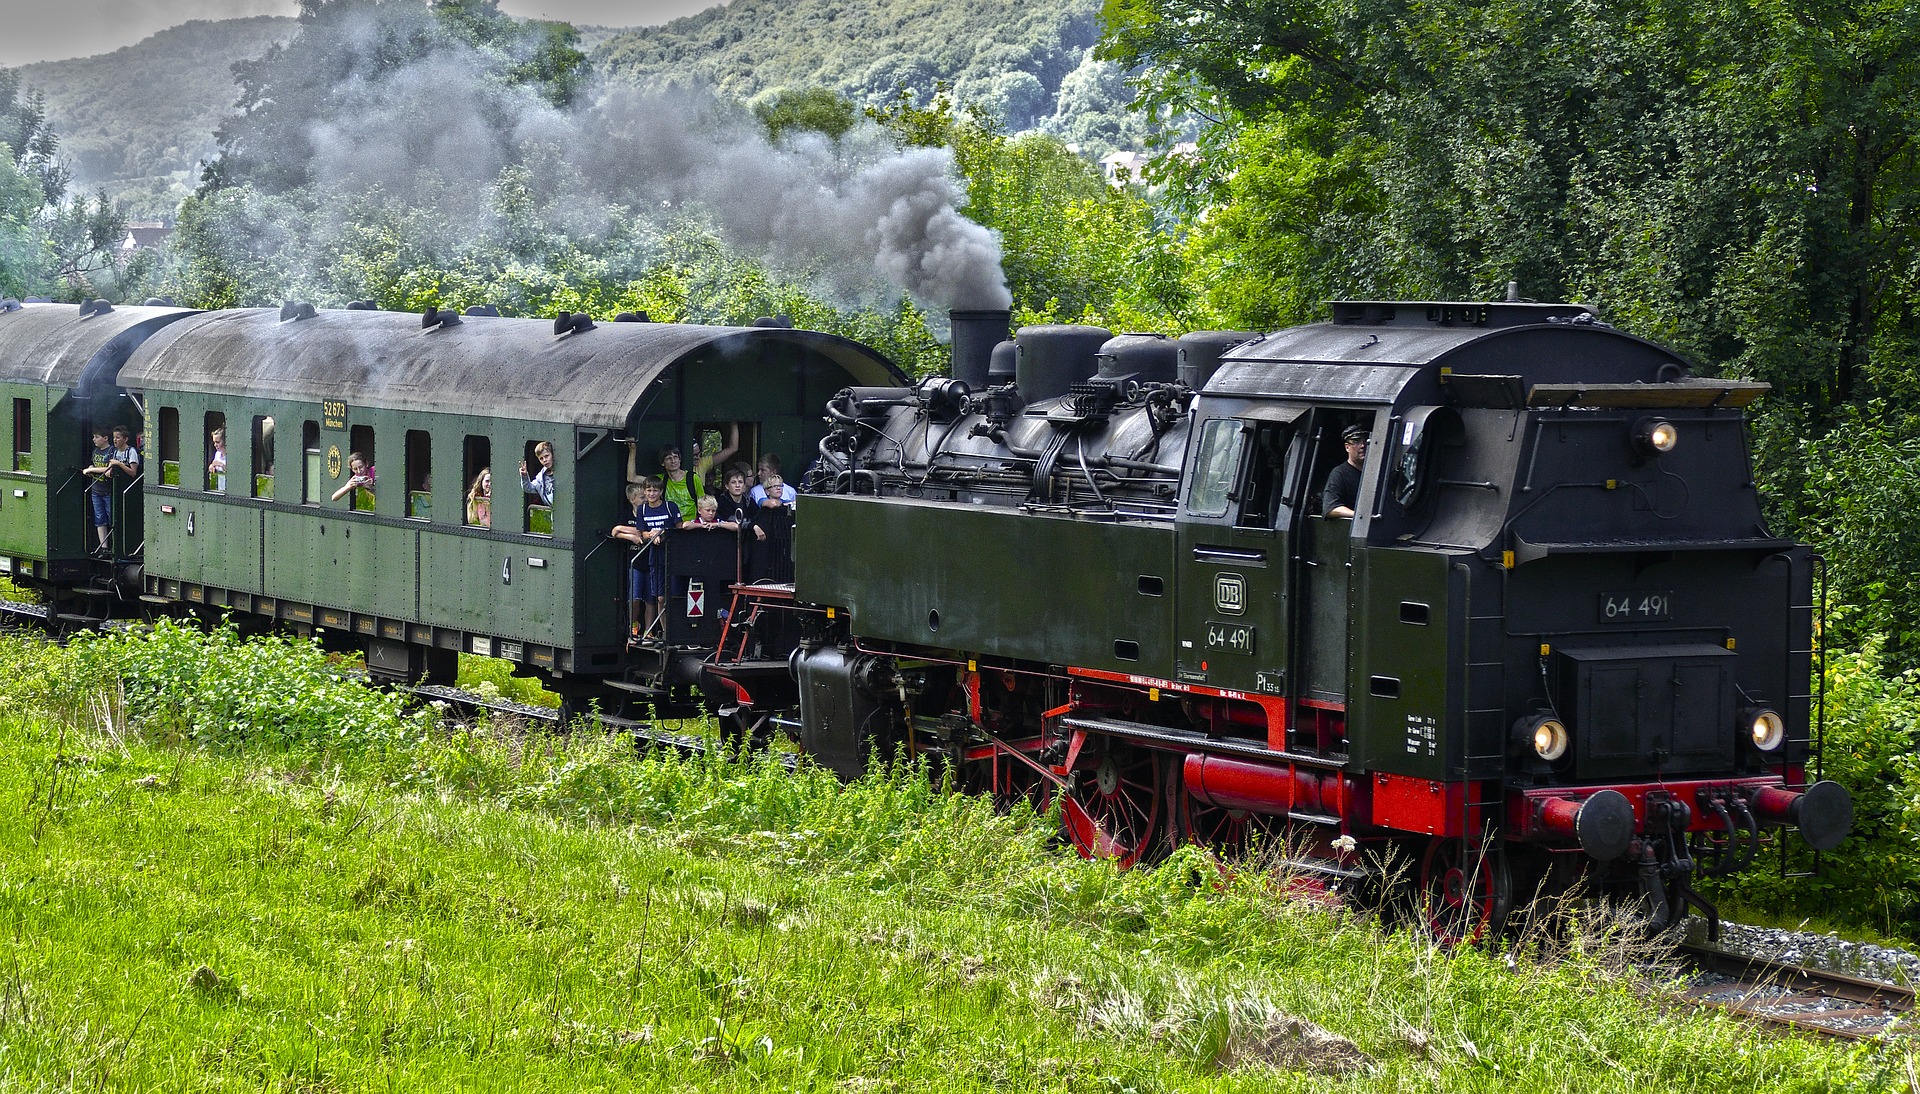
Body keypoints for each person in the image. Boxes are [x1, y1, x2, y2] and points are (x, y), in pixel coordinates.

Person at [611, 477, 680, 642]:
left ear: (661, 492)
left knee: (670, 596)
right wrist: (652, 534)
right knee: (657, 598)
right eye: (648, 491)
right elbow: (642, 533)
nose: (651, 494)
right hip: (652, 558)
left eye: (655, 490)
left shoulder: (670, 507)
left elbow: (679, 530)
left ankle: (668, 632)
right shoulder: (642, 511)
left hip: (672, 557)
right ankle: (662, 633)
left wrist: (662, 533)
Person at [1322, 424, 1368, 518]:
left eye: (1365, 441)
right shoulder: (1339, 473)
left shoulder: (1373, 472)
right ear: (1347, 447)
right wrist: (1359, 516)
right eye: (1356, 442)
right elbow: (1331, 509)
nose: (1363, 445)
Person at [80, 428, 114, 556]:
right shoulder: (95, 451)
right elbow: (94, 465)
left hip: (108, 489)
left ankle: (114, 546)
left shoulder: (112, 451)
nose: (94, 439)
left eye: (97, 437)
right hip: (96, 489)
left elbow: (109, 470)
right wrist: (91, 468)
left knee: (111, 516)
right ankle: (104, 547)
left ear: (105, 438)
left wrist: (91, 470)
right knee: (100, 519)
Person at [691, 422, 740, 495]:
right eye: (694, 455)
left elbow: (733, 448)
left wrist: (734, 423)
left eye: (699, 454)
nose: (698, 457)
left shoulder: (702, 463)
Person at [520, 440, 555, 505]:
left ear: (552, 455)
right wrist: (524, 475)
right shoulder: (541, 478)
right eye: (541, 458)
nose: (544, 460)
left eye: (546, 456)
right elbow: (529, 488)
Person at [207, 427, 227, 491]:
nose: (215, 445)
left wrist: (221, 465)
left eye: (218, 442)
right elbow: (213, 465)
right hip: (220, 488)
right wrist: (211, 466)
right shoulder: (217, 454)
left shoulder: (231, 456)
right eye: (214, 442)